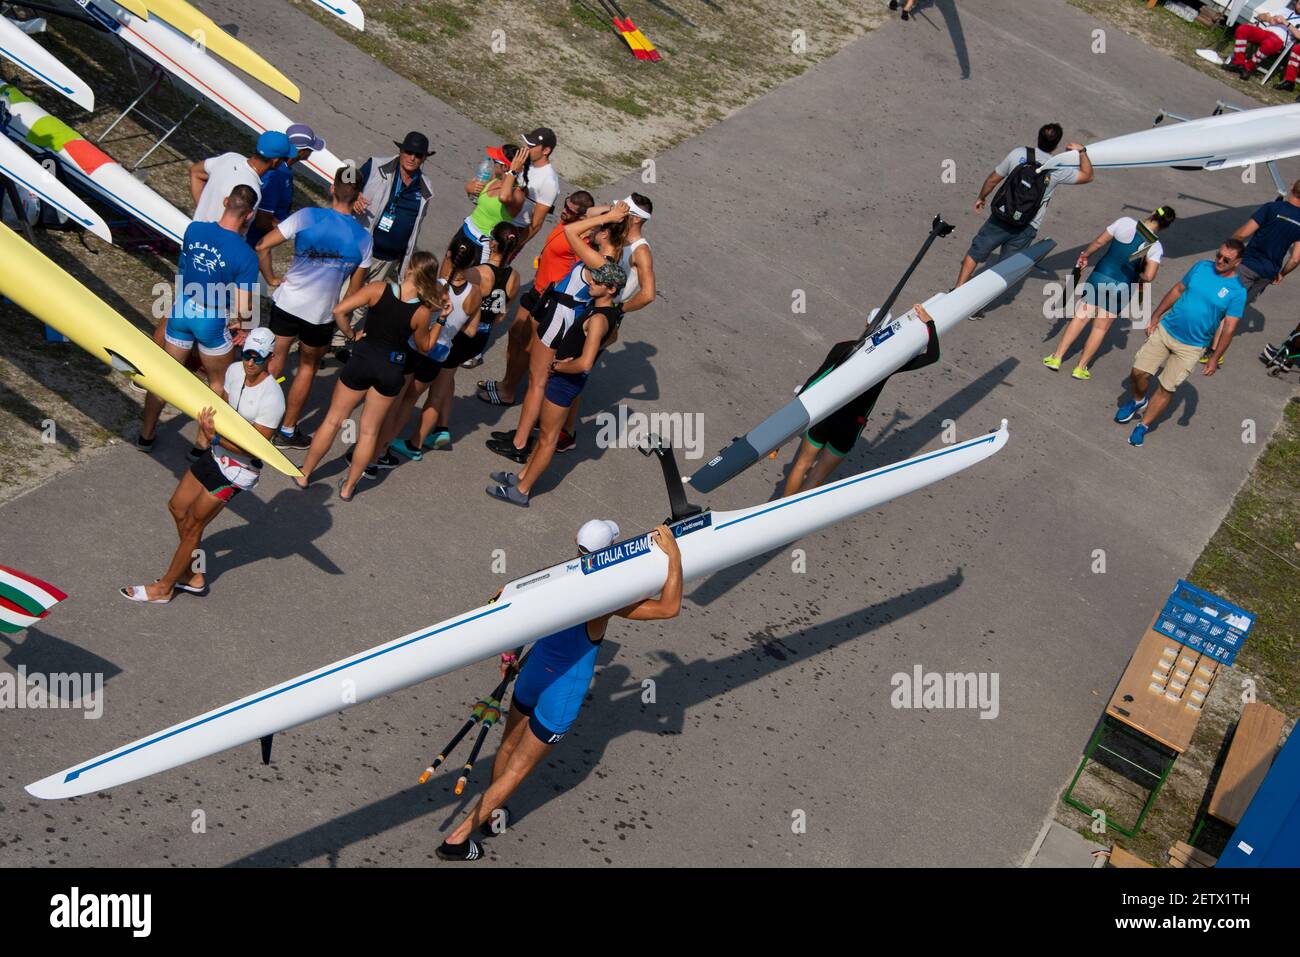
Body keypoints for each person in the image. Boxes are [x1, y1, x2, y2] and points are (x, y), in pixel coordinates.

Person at [436, 522, 683, 862]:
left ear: (575, 543)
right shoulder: (606, 600)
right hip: (561, 695)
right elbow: (668, 608)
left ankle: (494, 815)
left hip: (531, 676)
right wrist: (675, 557)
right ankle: (458, 839)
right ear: (611, 550)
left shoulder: (551, 581)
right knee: (519, 768)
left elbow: (509, 613)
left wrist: (510, 655)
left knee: (507, 748)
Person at [120, 328, 284, 603]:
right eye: (248, 355)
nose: (251, 362)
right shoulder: (233, 371)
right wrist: (211, 423)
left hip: (237, 471)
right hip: (216, 452)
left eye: (258, 358)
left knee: (194, 525)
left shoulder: (273, 398)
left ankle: (165, 587)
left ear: (270, 358)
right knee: (177, 507)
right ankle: (191, 575)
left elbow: (256, 448)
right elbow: (224, 407)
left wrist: (213, 436)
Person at [486, 204, 628, 465]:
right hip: (565, 316)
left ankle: (520, 442)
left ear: (606, 234)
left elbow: (571, 230)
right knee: (538, 380)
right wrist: (612, 212)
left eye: (600, 228)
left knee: (537, 381)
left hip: (561, 317)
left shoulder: (598, 260)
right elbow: (588, 215)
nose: (593, 228)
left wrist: (609, 216)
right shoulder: (609, 256)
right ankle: (522, 434)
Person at [294, 253, 440, 500]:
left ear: (411, 268)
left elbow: (339, 310)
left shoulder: (378, 289)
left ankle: (305, 473)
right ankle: (349, 487)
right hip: (392, 368)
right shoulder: (423, 312)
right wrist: (441, 322)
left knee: (334, 420)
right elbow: (424, 346)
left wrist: (351, 334)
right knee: (370, 432)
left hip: (362, 360)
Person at [485, 260, 626, 507]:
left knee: (547, 439)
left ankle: (522, 490)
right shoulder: (610, 313)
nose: (591, 282)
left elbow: (585, 364)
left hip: (565, 382)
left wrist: (558, 366)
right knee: (543, 438)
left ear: (611, 289)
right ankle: (521, 476)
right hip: (567, 380)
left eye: (598, 281)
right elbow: (612, 339)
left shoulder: (598, 320)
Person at [256, 168, 373, 450]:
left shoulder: (307, 215)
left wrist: (272, 278)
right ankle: (286, 431)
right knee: (307, 368)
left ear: (332, 188)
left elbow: (262, 245)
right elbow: (355, 293)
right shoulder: (364, 239)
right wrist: (344, 323)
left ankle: (258, 420)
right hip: (320, 315)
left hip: (288, 302)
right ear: (358, 196)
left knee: (275, 361)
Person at [137, 185, 260, 453]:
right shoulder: (247, 256)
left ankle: (146, 435)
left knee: (165, 375)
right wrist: (245, 326)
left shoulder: (194, 229)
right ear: (249, 215)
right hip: (212, 319)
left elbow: (182, 268)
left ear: (225, 201)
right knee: (218, 383)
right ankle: (201, 445)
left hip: (183, 307)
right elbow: (243, 304)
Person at [783, 303, 940, 497]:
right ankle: (790, 516)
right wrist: (929, 323)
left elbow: (816, 378)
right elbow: (932, 357)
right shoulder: (890, 361)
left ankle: (774, 512)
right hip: (849, 427)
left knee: (801, 465)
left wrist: (791, 415)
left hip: (826, 414)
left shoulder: (843, 347)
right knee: (816, 477)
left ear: (866, 323)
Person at [393, 225, 523, 460]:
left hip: (460, 334)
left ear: (492, 244)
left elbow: (456, 291)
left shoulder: (477, 273)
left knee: (437, 387)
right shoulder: (514, 277)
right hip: (481, 336)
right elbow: (503, 314)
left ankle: (416, 442)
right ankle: (441, 427)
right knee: (447, 376)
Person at [1116, 240, 1247, 448]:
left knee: (1166, 388)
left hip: (1192, 347)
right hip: (1167, 330)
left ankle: (1143, 426)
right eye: (1218, 255)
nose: (1219, 261)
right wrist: (1156, 316)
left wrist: (1214, 358)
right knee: (1137, 372)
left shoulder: (1238, 292)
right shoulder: (1202, 267)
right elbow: (1178, 290)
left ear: (1237, 262)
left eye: (1226, 259)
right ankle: (1139, 400)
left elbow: (1229, 328)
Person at [554, 193, 656, 451]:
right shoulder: (619, 235)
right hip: (593, 304)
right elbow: (589, 215)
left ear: (633, 218)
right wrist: (612, 211)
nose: (615, 208)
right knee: (570, 358)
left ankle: (566, 430)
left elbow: (648, 294)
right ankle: (556, 420)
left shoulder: (641, 251)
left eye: (623, 208)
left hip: (606, 313)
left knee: (578, 368)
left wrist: (619, 310)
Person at [954, 124, 1094, 311]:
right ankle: (976, 307)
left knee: (976, 252)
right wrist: (1082, 152)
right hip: (1027, 226)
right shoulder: (1057, 167)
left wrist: (982, 197)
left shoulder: (1018, 154)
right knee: (1002, 270)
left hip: (1001, 217)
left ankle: (957, 294)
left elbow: (993, 179)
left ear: (1038, 137)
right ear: (1057, 143)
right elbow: (1088, 176)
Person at [475, 190, 595, 404]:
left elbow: (577, 270)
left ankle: (509, 391)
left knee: (525, 344)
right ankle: (506, 382)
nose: (564, 212)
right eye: (565, 206)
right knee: (515, 334)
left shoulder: (581, 237)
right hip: (537, 289)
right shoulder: (566, 223)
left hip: (548, 296)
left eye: (571, 211)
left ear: (583, 217)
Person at [380, 238, 483, 461]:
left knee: (398, 397)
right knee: (412, 401)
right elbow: (472, 331)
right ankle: (387, 446)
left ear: (448, 255)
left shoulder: (435, 285)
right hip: (440, 353)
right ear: (472, 262)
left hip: (416, 346)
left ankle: (379, 441)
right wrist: (455, 324)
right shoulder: (475, 292)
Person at [1044, 207, 1176, 380]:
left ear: (1153, 212)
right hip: (1123, 286)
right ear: (1166, 226)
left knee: (1081, 317)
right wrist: (1139, 272)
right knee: (1100, 328)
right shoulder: (1155, 247)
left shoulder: (1125, 222)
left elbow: (1099, 242)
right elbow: (1149, 276)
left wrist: (1085, 255)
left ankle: (1056, 357)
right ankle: (1080, 367)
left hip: (1100, 275)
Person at [1210, 180, 1300, 361]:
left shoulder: (1272, 208)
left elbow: (1243, 234)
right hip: (1268, 273)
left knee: (1224, 304)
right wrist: (1281, 273)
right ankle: (1216, 350)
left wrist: (1229, 251)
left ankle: (1213, 351)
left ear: (1291, 188)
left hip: (1247, 264)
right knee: (1237, 308)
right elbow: (1296, 258)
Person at [352, 131, 434, 289]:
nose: (412, 158)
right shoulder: (375, 165)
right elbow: (346, 184)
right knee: (341, 297)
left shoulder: (425, 188)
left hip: (387, 262)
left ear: (424, 158)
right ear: (401, 151)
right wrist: (353, 196)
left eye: (418, 155)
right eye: (409, 152)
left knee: (360, 309)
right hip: (360, 251)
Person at [246, 123, 326, 248]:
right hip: (253, 241)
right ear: (301, 151)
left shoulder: (282, 169)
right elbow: (263, 218)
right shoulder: (279, 175)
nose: (311, 152)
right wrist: (287, 233)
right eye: (310, 149)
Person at [189, 131, 293, 226]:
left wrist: (203, 208)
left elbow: (195, 171)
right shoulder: (252, 191)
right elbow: (236, 230)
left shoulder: (230, 158)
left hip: (195, 234)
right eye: (284, 158)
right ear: (276, 160)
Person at [454, 144, 525, 263]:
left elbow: (503, 197)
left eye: (495, 161)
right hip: (466, 230)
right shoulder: (493, 178)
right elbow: (471, 191)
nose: (493, 163)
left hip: (482, 245)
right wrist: (470, 187)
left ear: (505, 167)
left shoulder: (517, 194)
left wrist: (513, 172)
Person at [507, 127, 560, 259]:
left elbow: (536, 224)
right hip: (498, 218)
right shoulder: (524, 162)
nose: (525, 148)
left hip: (514, 229)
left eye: (531, 146)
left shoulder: (549, 181)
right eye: (526, 143)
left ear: (546, 151)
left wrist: (513, 247)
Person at [1224, 1, 1300, 81]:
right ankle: (1238, 63)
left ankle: (1247, 67)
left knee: (1271, 43)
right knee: (1243, 29)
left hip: (1279, 40)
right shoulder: (1284, 10)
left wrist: (1286, 23)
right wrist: (1269, 19)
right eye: (1299, 4)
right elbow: (1260, 16)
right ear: (1296, 3)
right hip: (1265, 32)